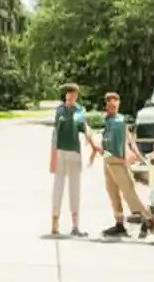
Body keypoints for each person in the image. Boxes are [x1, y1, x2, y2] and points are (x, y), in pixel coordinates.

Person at [99, 92, 152, 238]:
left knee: (129, 193)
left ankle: (147, 219)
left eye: (115, 102)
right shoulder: (104, 120)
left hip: (119, 160)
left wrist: (140, 158)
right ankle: (119, 224)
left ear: (118, 103)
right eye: (109, 102)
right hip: (107, 160)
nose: (112, 105)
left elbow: (131, 141)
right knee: (113, 194)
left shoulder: (122, 121)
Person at [51, 83, 99, 236]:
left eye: (74, 95)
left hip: (74, 152)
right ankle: (55, 223)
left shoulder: (79, 111)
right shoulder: (60, 110)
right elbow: (55, 133)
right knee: (58, 187)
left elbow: (83, 128)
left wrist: (94, 147)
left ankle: (75, 225)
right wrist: (52, 157)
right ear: (65, 96)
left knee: (74, 189)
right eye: (69, 94)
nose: (71, 97)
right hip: (60, 152)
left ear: (77, 96)